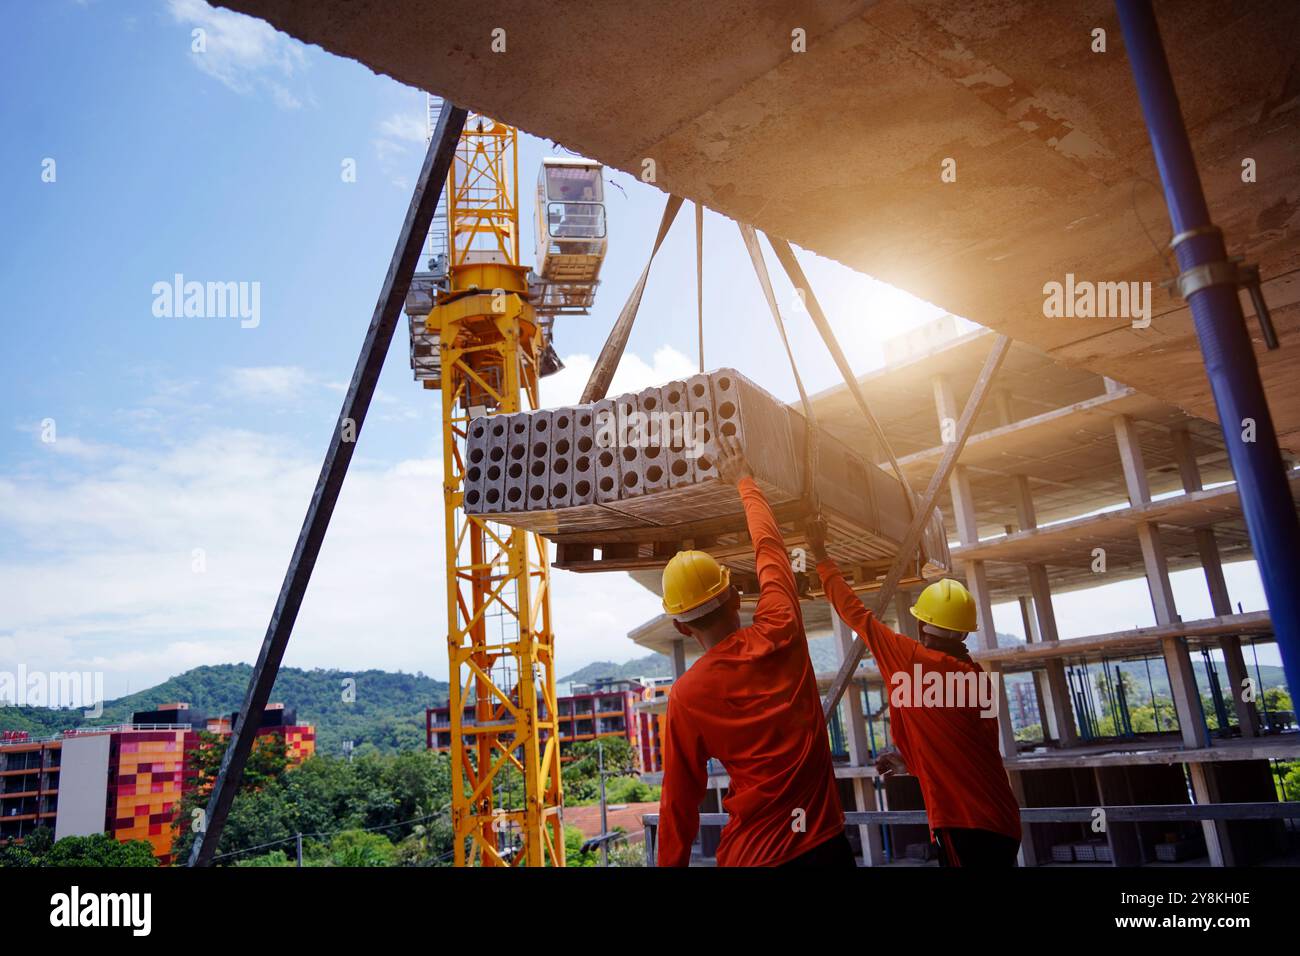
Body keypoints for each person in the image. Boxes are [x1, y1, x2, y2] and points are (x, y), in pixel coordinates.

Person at [656, 434, 851, 867]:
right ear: (735, 597)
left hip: (755, 856)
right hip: (824, 846)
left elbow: (679, 802)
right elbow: (770, 549)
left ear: (681, 627)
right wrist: (745, 480)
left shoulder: (687, 697)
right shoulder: (782, 626)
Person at [805, 518, 1022, 867]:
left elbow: (855, 613)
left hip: (964, 823)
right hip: (1002, 820)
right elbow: (968, 754)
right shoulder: (979, 680)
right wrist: (913, 763)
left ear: (922, 625)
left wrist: (819, 553)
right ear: (964, 634)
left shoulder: (909, 659)